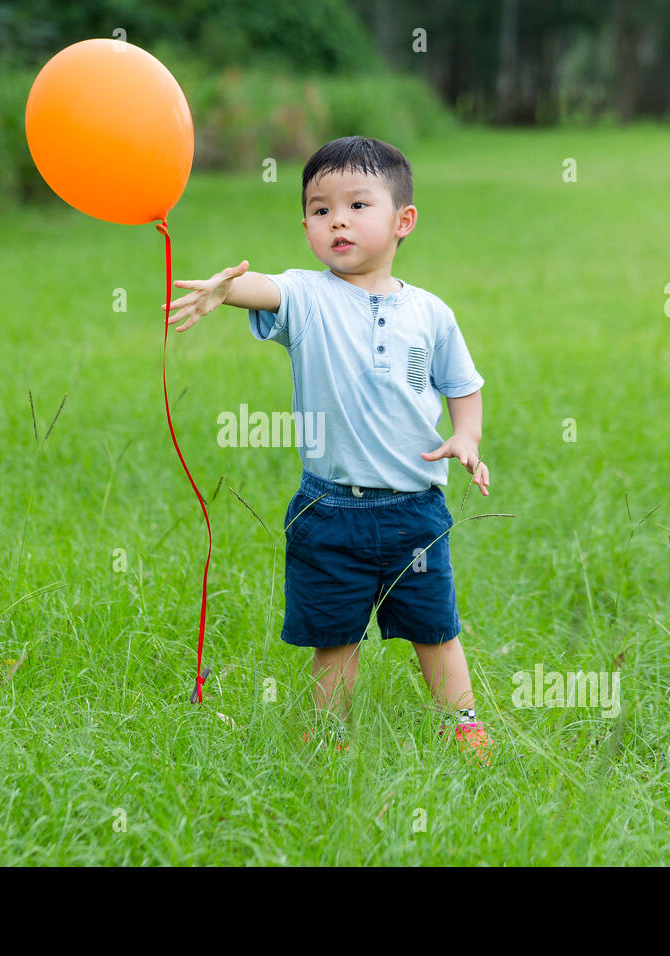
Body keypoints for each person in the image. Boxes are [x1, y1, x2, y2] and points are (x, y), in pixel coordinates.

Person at [162, 136, 494, 763]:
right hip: (329, 510)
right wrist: (225, 290)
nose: (336, 219)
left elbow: (463, 385)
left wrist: (466, 436)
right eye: (319, 209)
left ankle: (464, 723)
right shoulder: (310, 297)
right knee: (335, 638)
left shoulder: (430, 312)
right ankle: (329, 737)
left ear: (403, 221)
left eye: (357, 204)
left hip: (414, 511)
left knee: (436, 629)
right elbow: (269, 289)